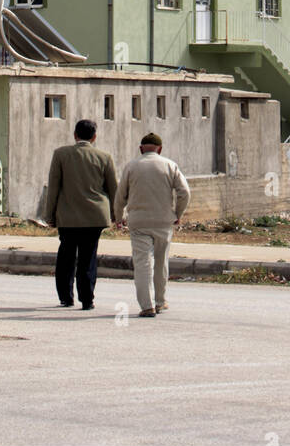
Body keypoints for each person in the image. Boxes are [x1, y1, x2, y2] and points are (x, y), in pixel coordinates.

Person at [45, 118, 118, 311]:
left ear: (75, 135)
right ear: (94, 137)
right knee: (88, 258)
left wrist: (49, 215)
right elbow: (113, 189)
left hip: (67, 216)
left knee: (66, 257)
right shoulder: (104, 157)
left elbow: (53, 187)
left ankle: (66, 297)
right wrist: (116, 214)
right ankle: (87, 299)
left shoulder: (61, 154)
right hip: (95, 216)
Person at [114, 132, 190, 318]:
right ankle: (160, 301)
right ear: (160, 149)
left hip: (139, 222)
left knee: (142, 264)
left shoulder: (131, 166)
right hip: (163, 221)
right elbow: (185, 192)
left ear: (141, 149)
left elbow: (120, 196)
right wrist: (177, 214)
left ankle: (147, 305)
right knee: (161, 262)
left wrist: (118, 217)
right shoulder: (170, 165)